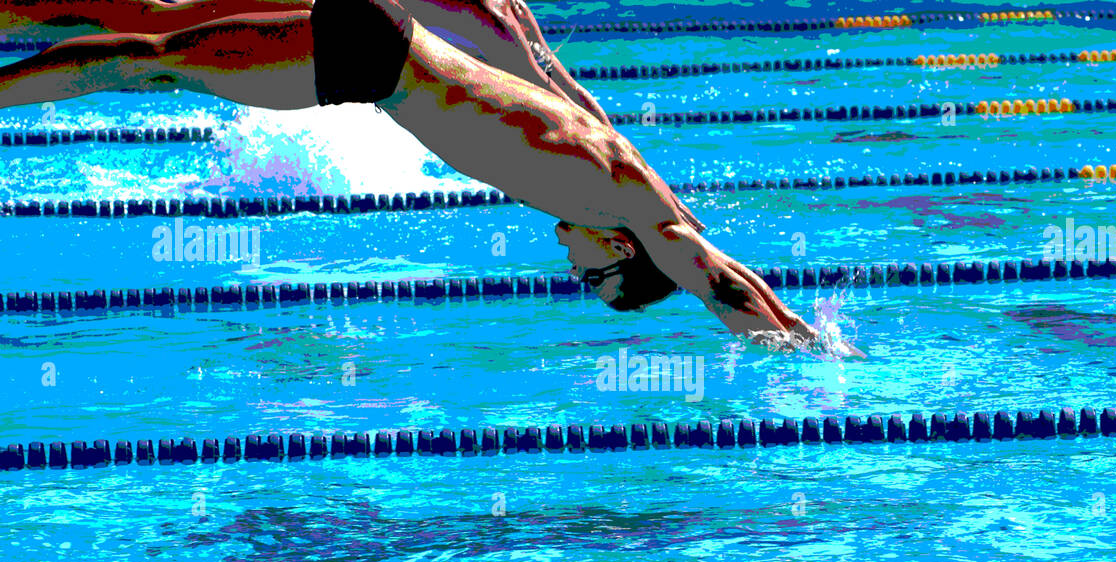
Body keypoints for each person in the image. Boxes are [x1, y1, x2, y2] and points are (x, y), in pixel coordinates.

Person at [0, 0, 838, 349]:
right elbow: (719, 281)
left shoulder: (615, 165)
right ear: (623, 249)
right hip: (376, 59)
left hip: (384, 46)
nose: (576, 274)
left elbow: (551, 70)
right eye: (597, 280)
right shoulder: (622, 203)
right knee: (154, 62)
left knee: (162, 42)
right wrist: (801, 347)